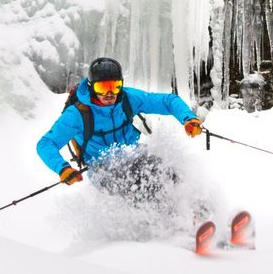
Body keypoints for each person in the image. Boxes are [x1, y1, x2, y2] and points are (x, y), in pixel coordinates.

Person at [36, 57, 202, 206]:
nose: (109, 94)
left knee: (167, 171)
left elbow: (168, 101)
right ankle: (171, 221)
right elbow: (46, 144)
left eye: (115, 87)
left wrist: (188, 119)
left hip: (133, 154)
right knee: (142, 189)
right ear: (92, 87)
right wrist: (62, 168)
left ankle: (193, 208)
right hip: (102, 168)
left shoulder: (127, 99)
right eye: (102, 87)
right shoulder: (78, 114)